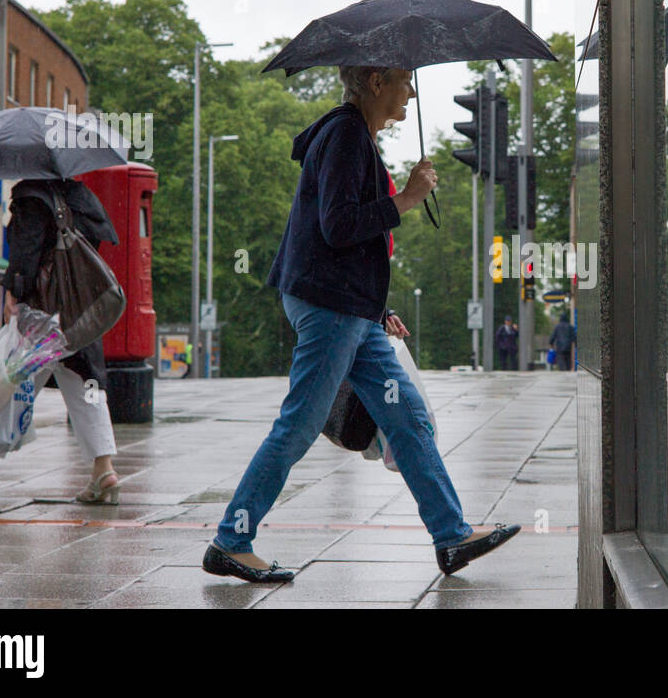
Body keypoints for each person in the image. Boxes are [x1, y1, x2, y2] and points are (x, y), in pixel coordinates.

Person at [204, 65, 519, 583]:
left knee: (408, 417)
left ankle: (451, 536)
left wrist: (377, 305)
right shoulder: (346, 134)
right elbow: (339, 225)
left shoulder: (356, 138)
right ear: (375, 82)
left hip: (354, 309)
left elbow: (346, 239)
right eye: (404, 81)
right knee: (300, 423)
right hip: (331, 307)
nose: (411, 92)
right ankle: (231, 541)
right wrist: (407, 200)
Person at [0, 178, 123, 505]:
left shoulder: (30, 197)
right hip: (76, 313)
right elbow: (100, 239)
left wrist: (13, 292)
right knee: (85, 389)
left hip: (41, 315)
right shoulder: (78, 194)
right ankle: (103, 470)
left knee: (6, 385)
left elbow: (26, 254)